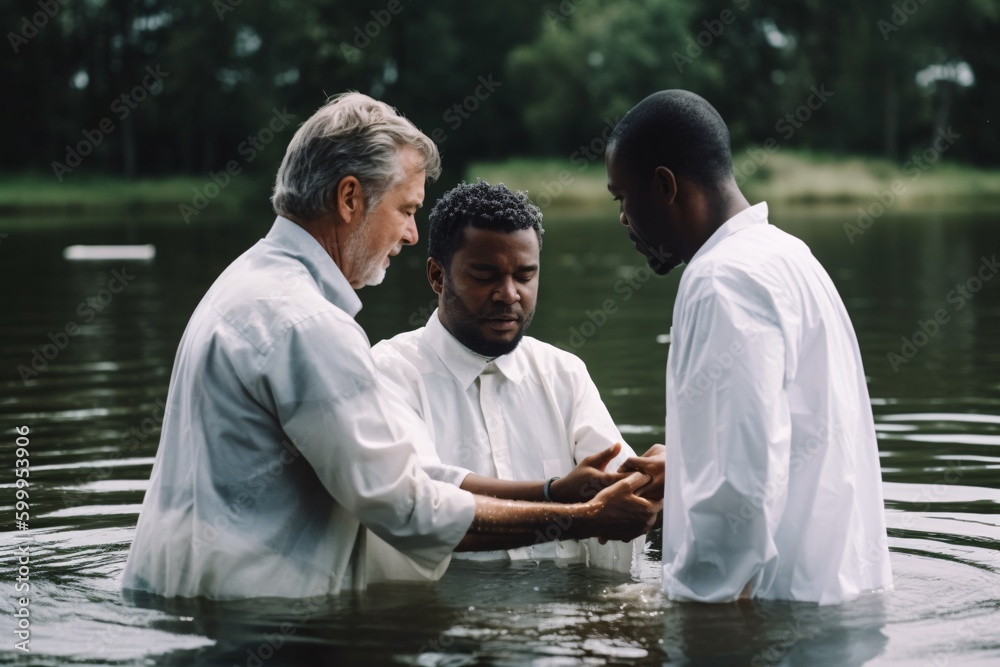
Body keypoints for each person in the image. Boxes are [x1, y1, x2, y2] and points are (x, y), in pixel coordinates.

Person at [121, 93, 659, 600]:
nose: (408, 234)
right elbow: (406, 508)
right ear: (350, 198)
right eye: (405, 209)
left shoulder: (245, 283)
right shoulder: (308, 323)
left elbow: (406, 475)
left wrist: (549, 494)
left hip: (182, 597)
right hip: (253, 614)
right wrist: (584, 519)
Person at [604, 90, 892, 604]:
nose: (624, 218)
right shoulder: (788, 255)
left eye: (621, 196)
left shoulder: (721, 280)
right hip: (838, 603)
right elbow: (782, 436)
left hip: (772, 623)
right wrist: (691, 462)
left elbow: (741, 490)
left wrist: (687, 611)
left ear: (665, 185)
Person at [370, 181, 666, 577]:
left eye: (525, 276)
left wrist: (661, 477)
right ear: (437, 276)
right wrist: (555, 494)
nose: (508, 294)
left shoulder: (564, 373)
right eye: (485, 275)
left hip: (564, 618)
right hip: (450, 623)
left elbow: (617, 493)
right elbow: (424, 496)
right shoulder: (389, 372)